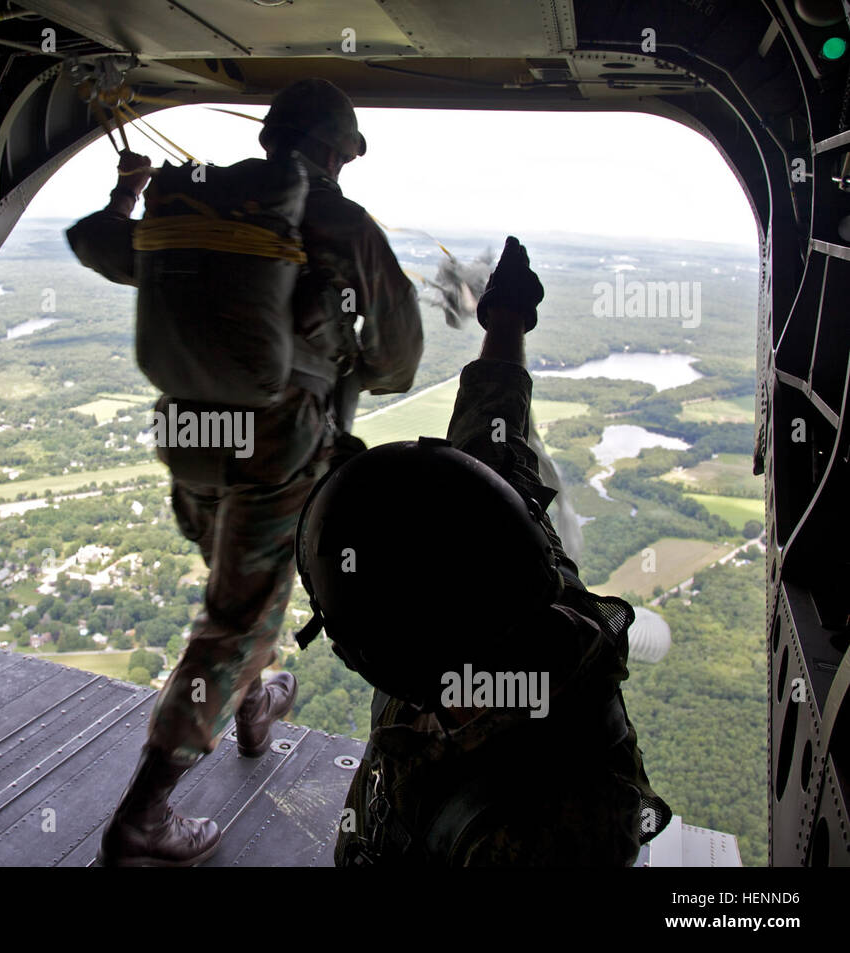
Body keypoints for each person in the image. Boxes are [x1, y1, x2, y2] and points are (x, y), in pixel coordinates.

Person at [66, 78, 423, 866]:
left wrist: (127, 193)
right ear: (336, 151)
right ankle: (143, 816)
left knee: (241, 596)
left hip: (189, 429)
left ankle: (255, 700)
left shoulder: (192, 203)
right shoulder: (338, 221)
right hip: (278, 441)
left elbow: (94, 243)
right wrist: (343, 357)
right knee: (236, 623)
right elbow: (399, 362)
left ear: (269, 139)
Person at [295, 237, 672, 865]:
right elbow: (489, 432)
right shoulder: (512, 570)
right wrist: (505, 318)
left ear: (366, 656)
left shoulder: (539, 831)